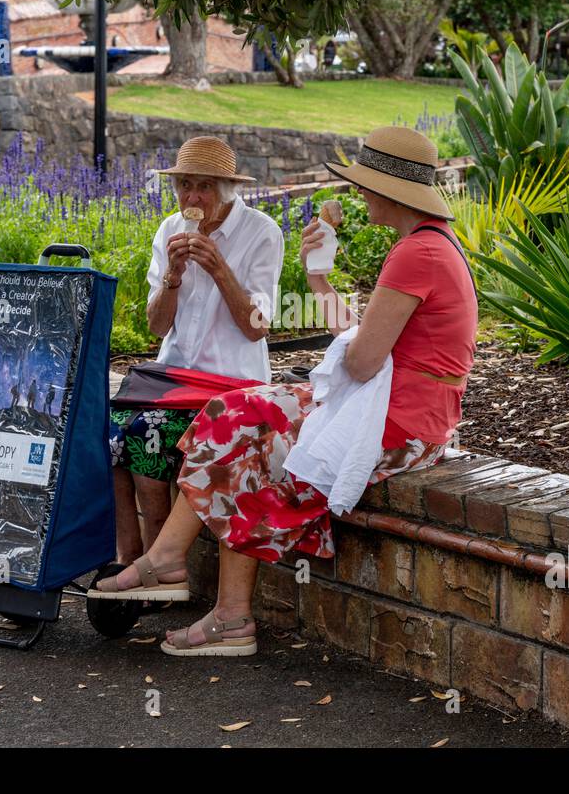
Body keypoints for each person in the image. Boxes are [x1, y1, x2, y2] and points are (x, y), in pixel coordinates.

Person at [91, 126, 478, 657]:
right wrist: (319, 282)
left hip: (400, 424)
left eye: (364, 184)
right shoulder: (426, 246)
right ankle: (214, 603)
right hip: (401, 412)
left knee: (237, 422)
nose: (359, 195)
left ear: (390, 189)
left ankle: (183, 576)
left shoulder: (416, 255)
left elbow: (364, 360)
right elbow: (370, 346)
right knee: (235, 422)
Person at [105, 136, 284, 570]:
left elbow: (257, 329)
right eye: (185, 185)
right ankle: (132, 557)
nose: (192, 197)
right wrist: (172, 276)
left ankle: (159, 565)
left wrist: (220, 269)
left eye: (203, 186)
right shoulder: (169, 229)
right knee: (109, 431)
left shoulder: (261, 231)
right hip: (174, 379)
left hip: (232, 385)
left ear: (225, 190)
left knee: (148, 432)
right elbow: (157, 326)